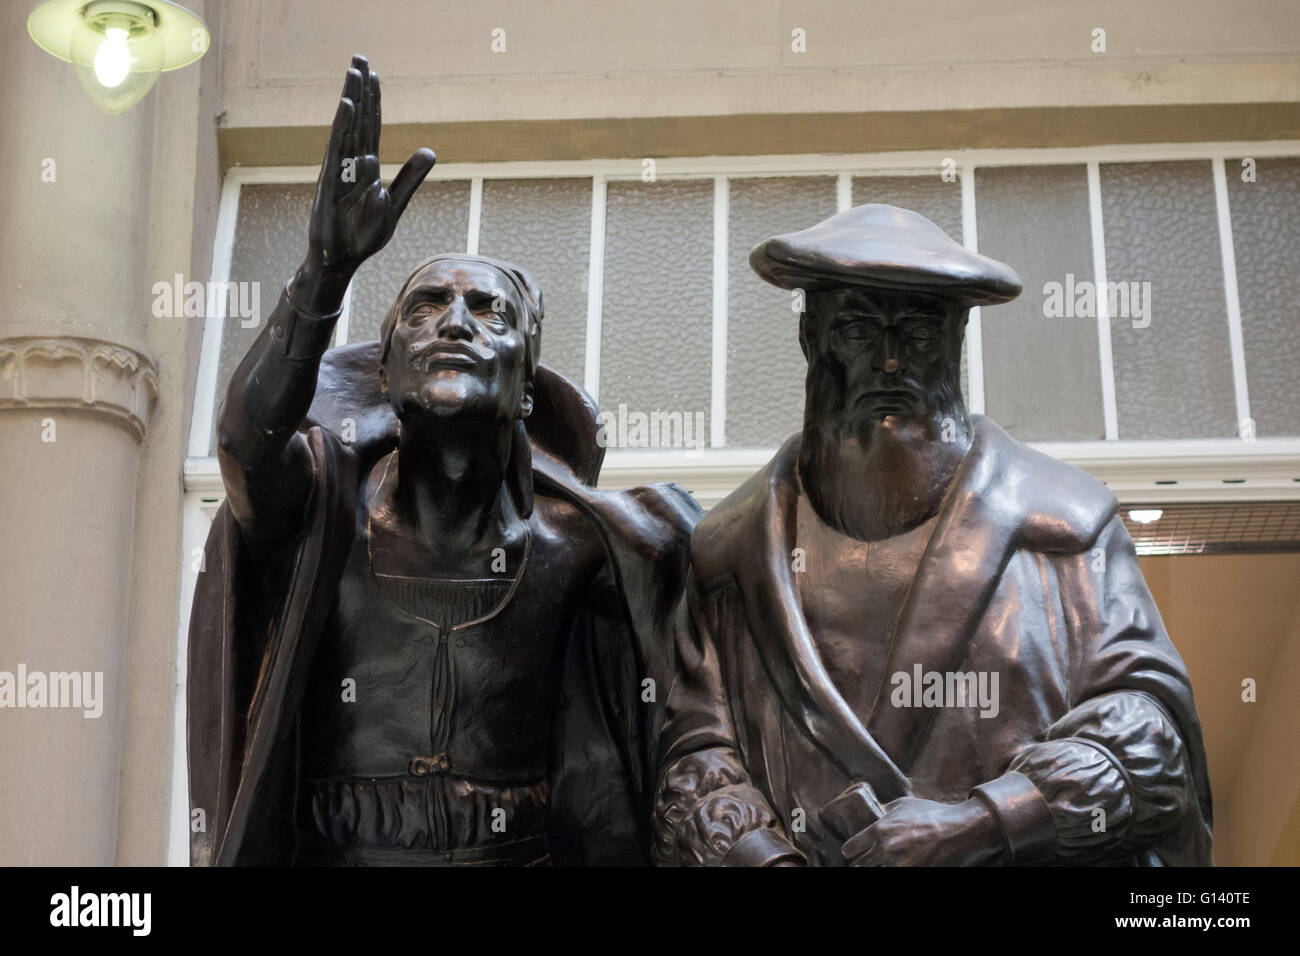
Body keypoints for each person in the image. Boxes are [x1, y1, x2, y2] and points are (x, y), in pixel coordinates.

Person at [188, 56, 698, 866]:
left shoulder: (582, 547)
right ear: (387, 375)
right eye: (427, 307)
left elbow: (722, 625)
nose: (455, 321)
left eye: (488, 310)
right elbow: (245, 445)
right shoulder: (323, 511)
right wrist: (325, 270)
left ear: (527, 386)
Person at [653, 203, 1213, 866]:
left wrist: (981, 825)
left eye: (919, 334)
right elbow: (695, 753)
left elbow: (1152, 743)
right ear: (811, 337)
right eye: (858, 329)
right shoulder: (729, 552)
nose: (890, 362)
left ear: (956, 341)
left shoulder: (1065, 528)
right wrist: (762, 857)